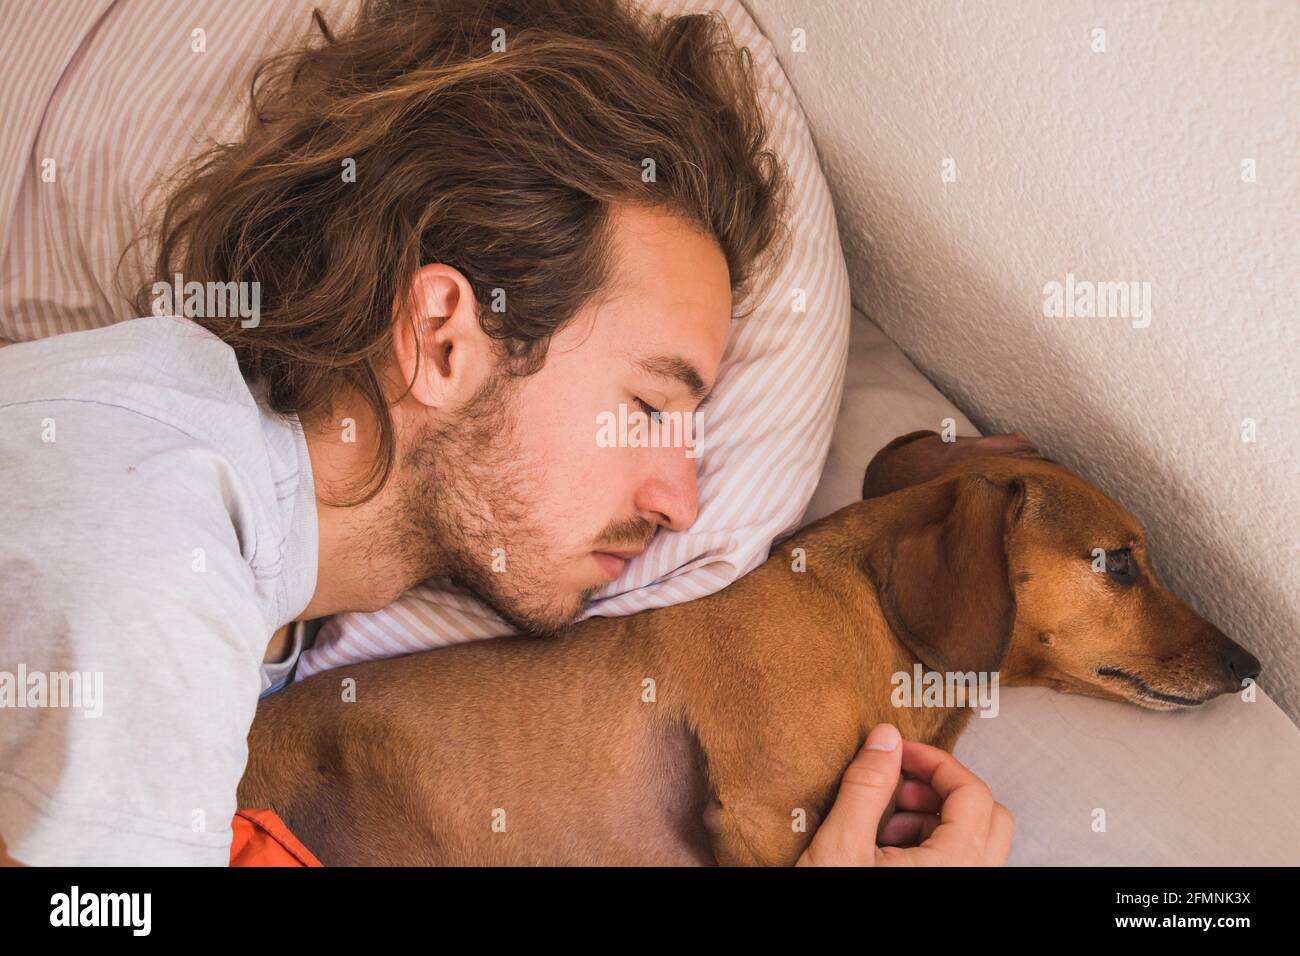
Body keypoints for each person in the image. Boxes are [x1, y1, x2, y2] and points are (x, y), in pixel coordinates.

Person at [0, 0, 1011, 866]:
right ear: (444, 337)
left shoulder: (223, 556)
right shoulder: (152, 554)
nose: (683, 502)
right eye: (649, 408)